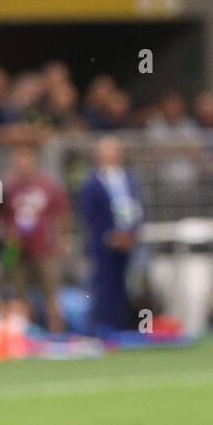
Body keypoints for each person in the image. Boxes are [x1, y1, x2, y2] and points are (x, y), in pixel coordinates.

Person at [1, 144, 70, 334]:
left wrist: (63, 239)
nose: (22, 162)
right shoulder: (7, 186)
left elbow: (62, 214)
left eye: (26, 157)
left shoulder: (48, 184)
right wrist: (7, 244)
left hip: (44, 246)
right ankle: (26, 333)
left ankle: (57, 332)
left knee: (52, 292)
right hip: (16, 248)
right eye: (19, 158)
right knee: (19, 293)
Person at [79, 136, 143, 334]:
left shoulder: (130, 179)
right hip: (104, 243)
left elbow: (137, 208)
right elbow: (90, 215)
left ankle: (120, 325)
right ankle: (101, 328)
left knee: (124, 286)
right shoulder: (92, 183)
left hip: (127, 240)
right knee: (103, 285)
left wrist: (131, 233)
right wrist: (108, 236)